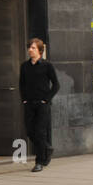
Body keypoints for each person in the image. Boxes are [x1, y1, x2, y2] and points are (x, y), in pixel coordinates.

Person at [19, 37, 60, 172]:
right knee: (30, 131)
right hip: (29, 104)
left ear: (40, 51)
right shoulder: (24, 66)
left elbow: (56, 85)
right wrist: (24, 99)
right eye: (29, 47)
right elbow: (22, 84)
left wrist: (46, 100)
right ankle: (47, 148)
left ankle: (39, 161)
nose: (30, 50)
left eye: (33, 48)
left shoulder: (47, 66)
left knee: (40, 132)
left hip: (42, 105)